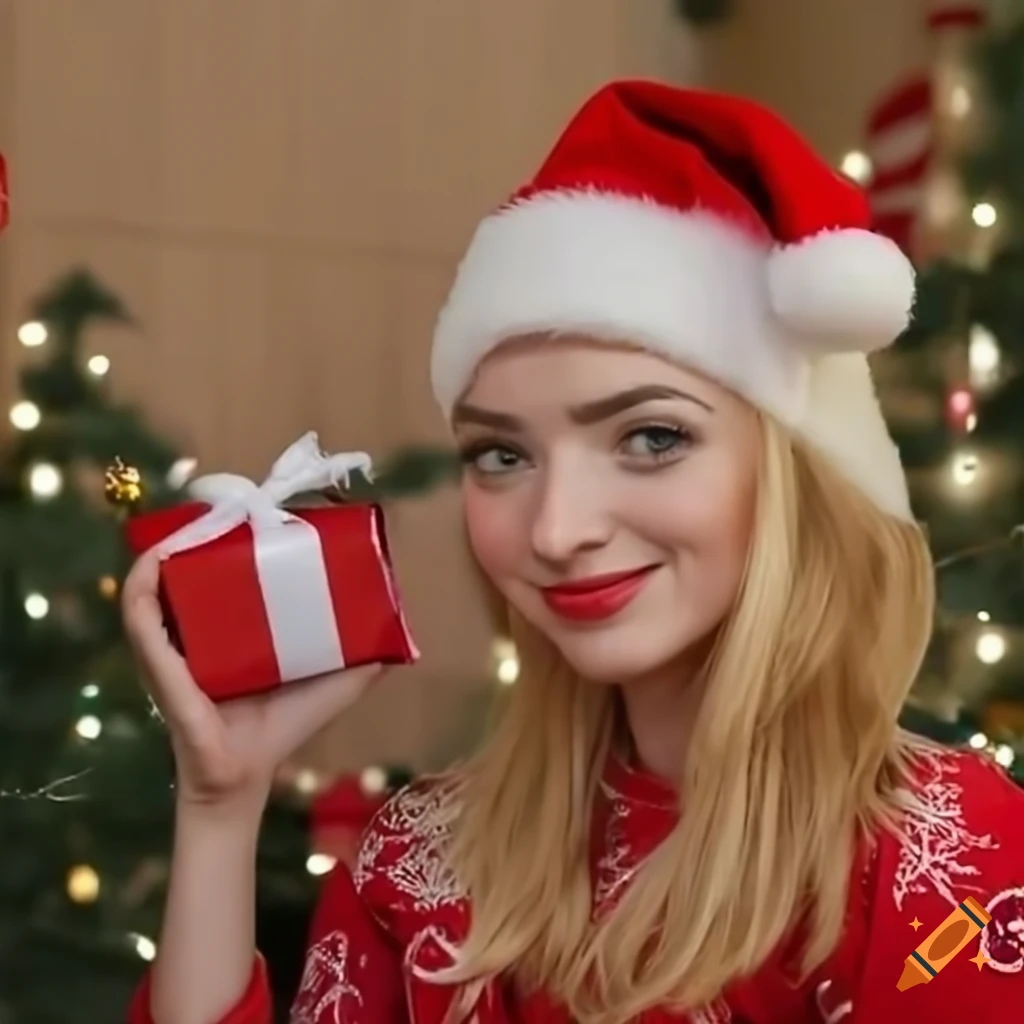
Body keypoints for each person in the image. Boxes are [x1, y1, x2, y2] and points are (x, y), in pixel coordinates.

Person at [124, 80, 1024, 1024]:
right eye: (502, 455)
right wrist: (221, 813)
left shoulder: (952, 857)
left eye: (651, 437)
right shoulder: (418, 860)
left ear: (797, 472)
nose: (556, 530)